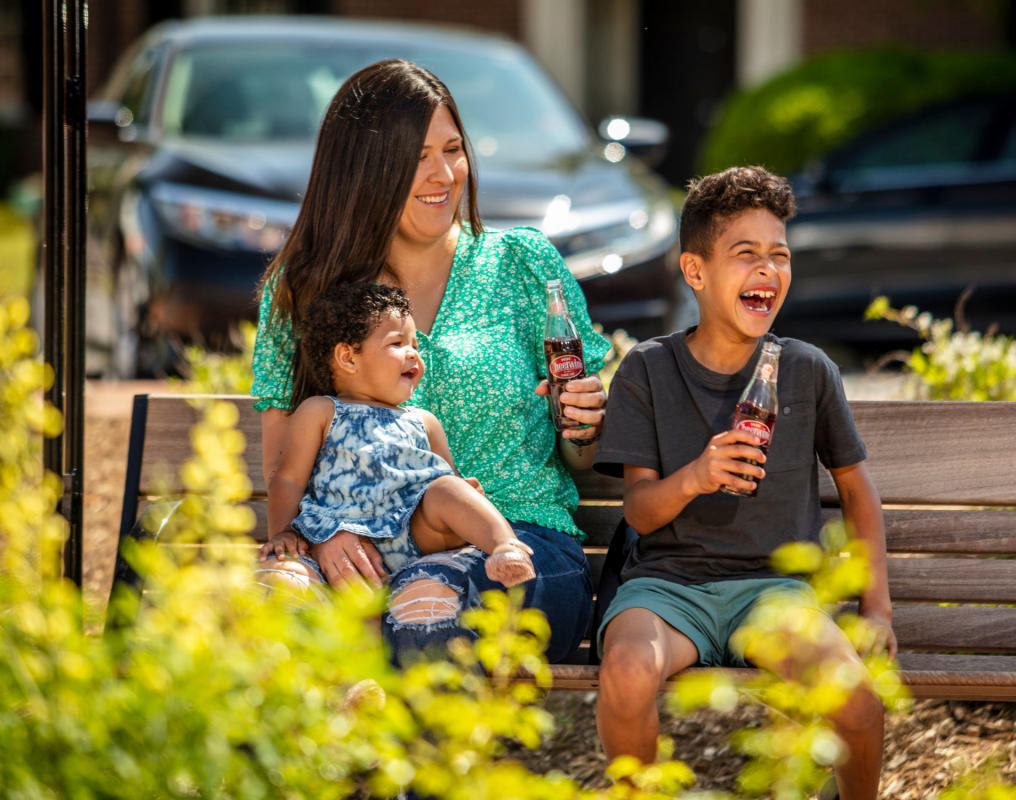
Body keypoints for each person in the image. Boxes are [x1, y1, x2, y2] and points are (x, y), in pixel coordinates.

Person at [251, 59, 609, 665]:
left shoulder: (522, 265)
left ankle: (412, 752)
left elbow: (582, 455)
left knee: (426, 601)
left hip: (517, 546)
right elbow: (287, 461)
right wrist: (323, 534)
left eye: (452, 149)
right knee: (272, 604)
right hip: (361, 548)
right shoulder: (304, 287)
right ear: (364, 169)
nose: (444, 174)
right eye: (417, 157)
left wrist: (583, 423)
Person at [592, 166, 896, 800]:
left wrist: (877, 607)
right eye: (746, 254)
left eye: (779, 255)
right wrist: (698, 475)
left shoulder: (807, 371)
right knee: (624, 675)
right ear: (695, 271)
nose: (768, 270)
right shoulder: (648, 371)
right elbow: (642, 513)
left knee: (860, 708)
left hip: (777, 594)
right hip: (667, 590)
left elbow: (858, 489)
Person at [258, 281, 535, 591]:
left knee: (447, 488)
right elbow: (290, 479)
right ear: (348, 357)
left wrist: (464, 495)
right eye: (397, 344)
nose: (413, 354)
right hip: (336, 536)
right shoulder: (322, 411)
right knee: (280, 583)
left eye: (415, 345)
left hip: (411, 533)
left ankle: (505, 547)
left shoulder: (423, 421)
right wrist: (282, 533)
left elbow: (446, 485)